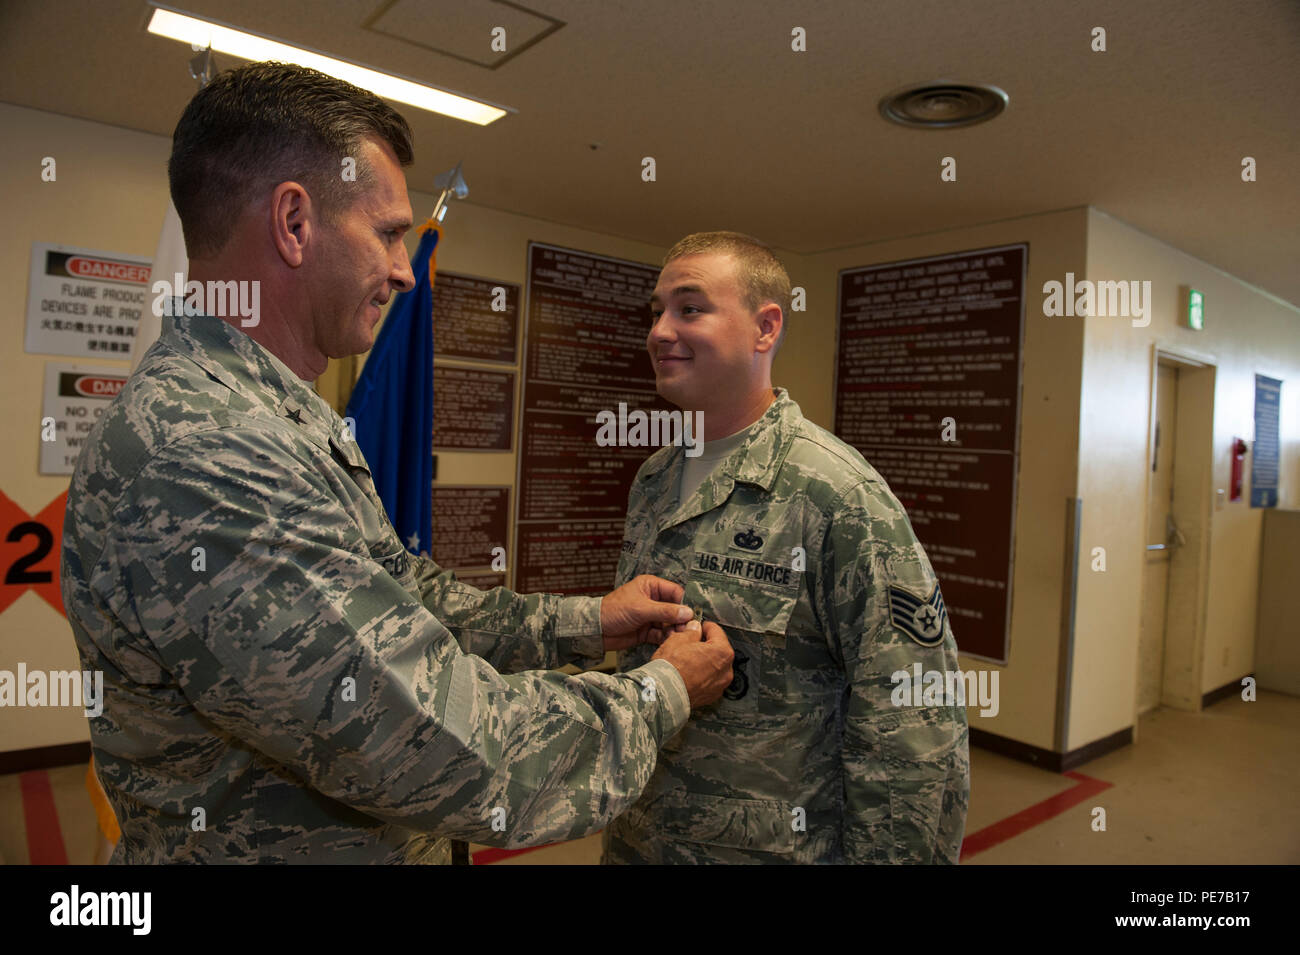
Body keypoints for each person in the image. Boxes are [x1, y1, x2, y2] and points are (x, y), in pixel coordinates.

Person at [59, 62, 733, 864]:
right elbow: (449, 752)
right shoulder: (210, 451)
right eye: (387, 232)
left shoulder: (274, 417)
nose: (406, 270)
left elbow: (404, 604)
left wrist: (587, 622)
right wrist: (659, 691)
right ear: (294, 223)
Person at [602, 232, 970, 864]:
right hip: (641, 840)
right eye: (656, 310)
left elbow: (912, 724)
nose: (660, 330)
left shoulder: (837, 493)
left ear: (765, 327)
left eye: (689, 309)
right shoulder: (655, 479)